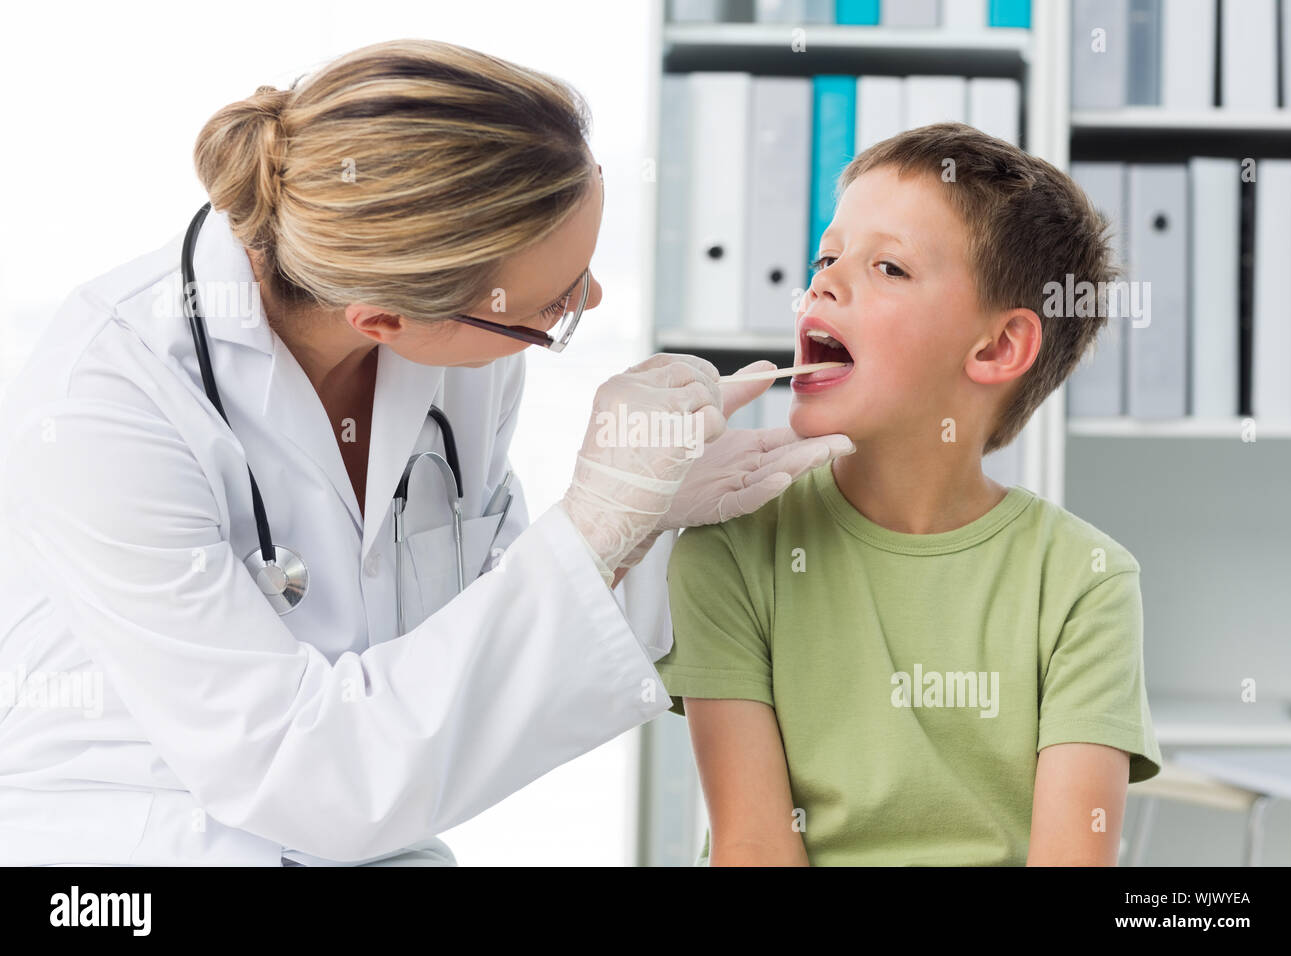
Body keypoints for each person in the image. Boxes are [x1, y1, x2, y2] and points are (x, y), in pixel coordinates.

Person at [0, 38, 852, 866]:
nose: (589, 298)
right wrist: (595, 525)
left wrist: (646, 528)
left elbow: (477, 635)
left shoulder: (466, 353)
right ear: (383, 319)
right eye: (557, 304)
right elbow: (305, 776)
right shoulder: (110, 400)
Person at [657, 123, 1162, 866]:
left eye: (888, 267)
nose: (823, 281)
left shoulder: (1086, 582)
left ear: (996, 349)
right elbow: (755, 846)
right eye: (826, 257)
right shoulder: (728, 547)